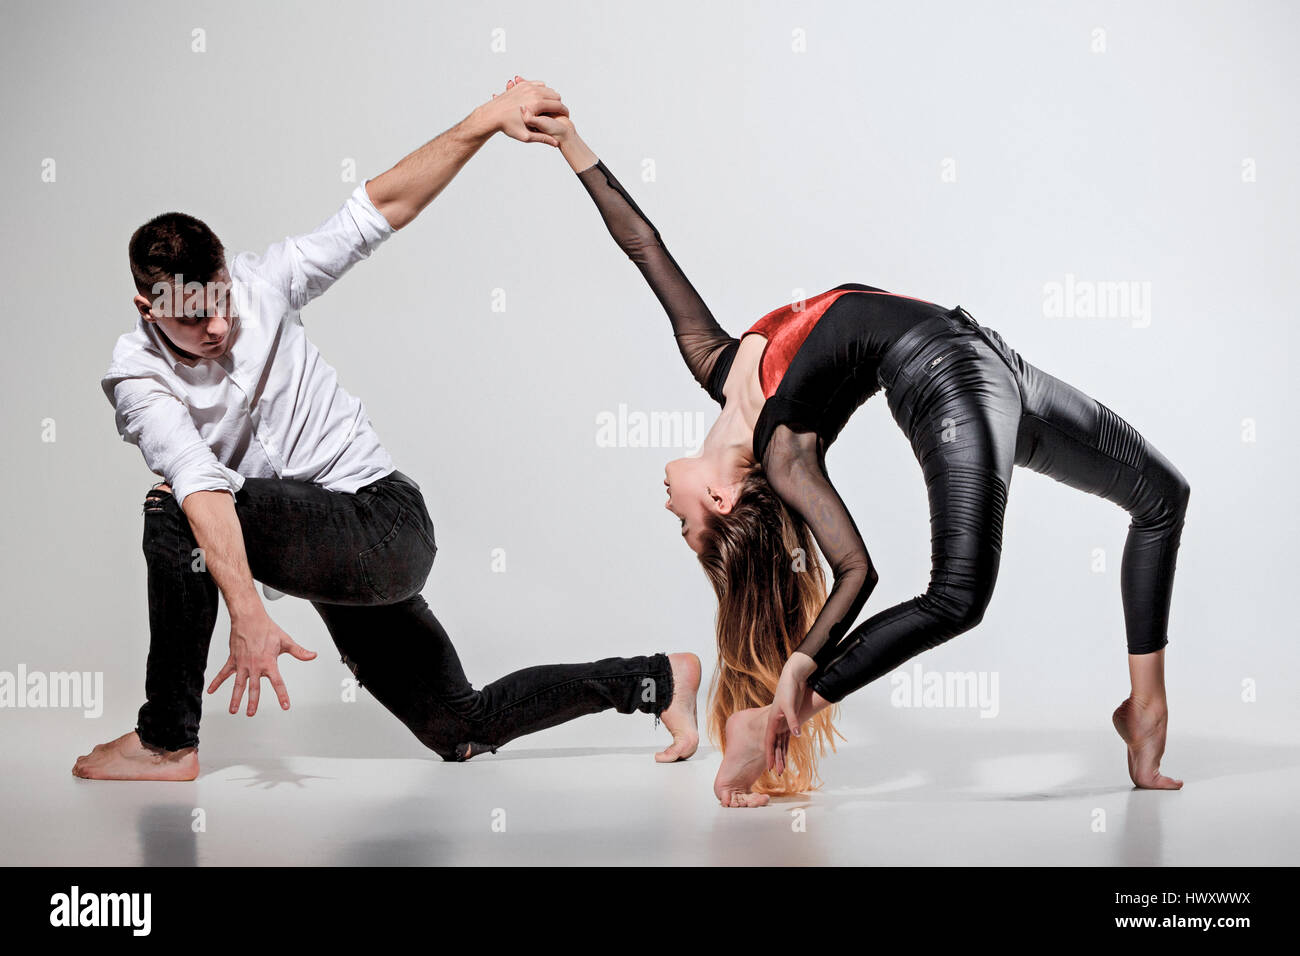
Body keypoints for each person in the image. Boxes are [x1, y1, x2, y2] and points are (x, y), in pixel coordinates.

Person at [516, 81, 1190, 808]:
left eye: (681, 525)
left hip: (993, 359)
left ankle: (1142, 706)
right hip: (948, 383)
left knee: (1162, 496)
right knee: (960, 595)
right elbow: (857, 570)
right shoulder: (783, 453)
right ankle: (771, 723)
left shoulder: (716, 364)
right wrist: (803, 671)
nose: (672, 512)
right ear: (721, 496)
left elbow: (643, 247)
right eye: (683, 523)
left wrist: (571, 144)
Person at [74, 78, 700, 782]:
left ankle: (166, 741)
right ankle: (654, 681)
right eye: (192, 318)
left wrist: (487, 120)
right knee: (461, 727)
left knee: (170, 508)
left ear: (227, 273)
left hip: (384, 525)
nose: (218, 327)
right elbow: (200, 481)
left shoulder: (264, 282)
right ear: (148, 307)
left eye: (220, 301)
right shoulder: (137, 377)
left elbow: (379, 207)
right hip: (330, 560)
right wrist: (250, 609)